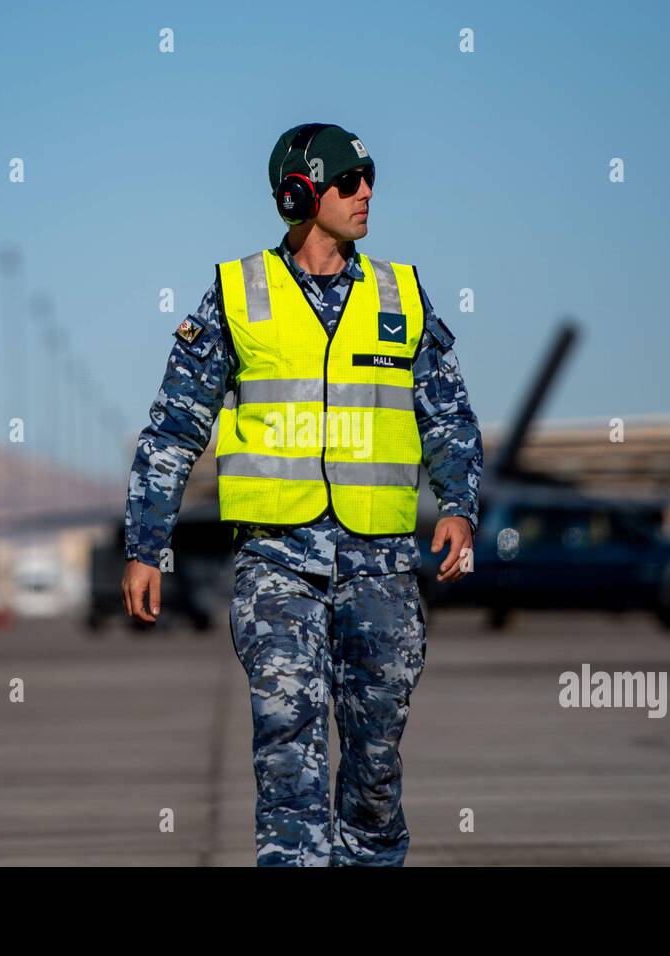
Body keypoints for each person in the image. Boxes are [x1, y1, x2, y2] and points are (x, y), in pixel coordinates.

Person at [122, 122, 483, 866]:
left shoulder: (401, 295)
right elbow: (172, 430)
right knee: (288, 747)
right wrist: (145, 544)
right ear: (301, 194)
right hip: (276, 565)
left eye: (370, 177)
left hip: (380, 566)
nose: (366, 192)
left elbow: (448, 416)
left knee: (375, 762)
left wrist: (457, 506)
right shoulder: (237, 293)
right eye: (349, 181)